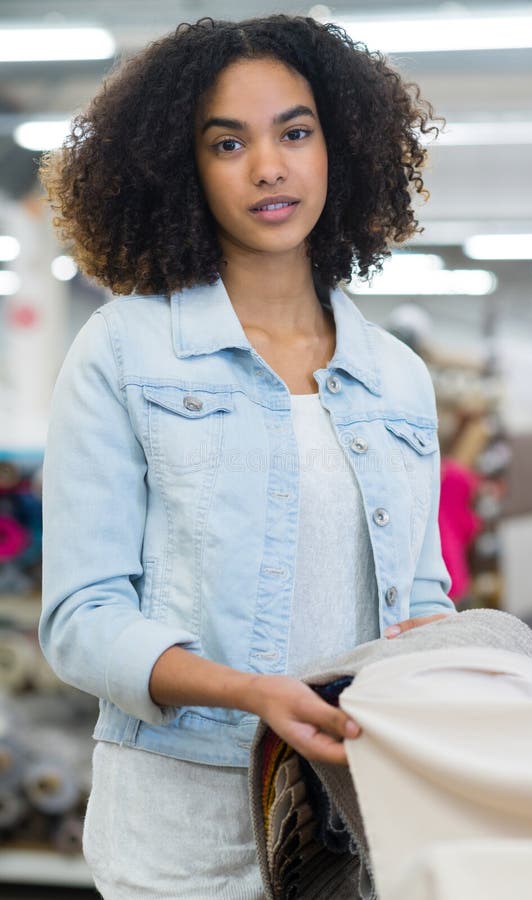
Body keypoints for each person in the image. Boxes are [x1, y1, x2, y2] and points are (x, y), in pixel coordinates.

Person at [38, 15, 454, 899]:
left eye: (295, 132)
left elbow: (420, 600)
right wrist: (252, 692)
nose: (270, 165)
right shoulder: (124, 354)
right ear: (182, 170)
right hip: (180, 827)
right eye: (229, 143)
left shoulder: (396, 378)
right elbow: (81, 619)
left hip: (352, 817)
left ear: (338, 147)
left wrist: (458, 657)